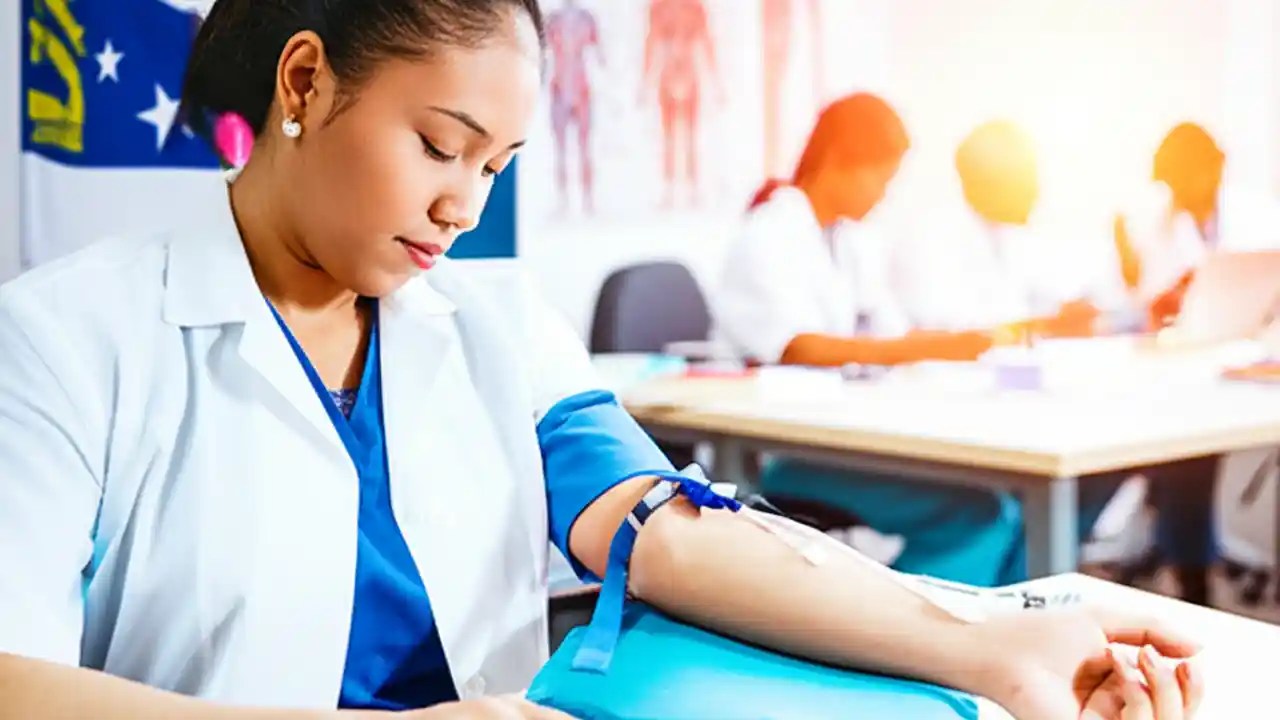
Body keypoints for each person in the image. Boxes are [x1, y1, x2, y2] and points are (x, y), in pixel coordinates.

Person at [0, 3, 1201, 719]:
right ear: (303, 82)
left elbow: (661, 526)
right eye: (439, 146)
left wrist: (990, 647)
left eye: (497, 167)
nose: (464, 206)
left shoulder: (485, 321)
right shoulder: (65, 342)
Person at [545, 0, 602, 214]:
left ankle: (587, 198)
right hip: (562, 87)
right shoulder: (554, 20)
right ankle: (565, 199)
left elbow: (600, 54)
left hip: (578, 87)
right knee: (563, 149)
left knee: (582, 147)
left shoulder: (584, 18)